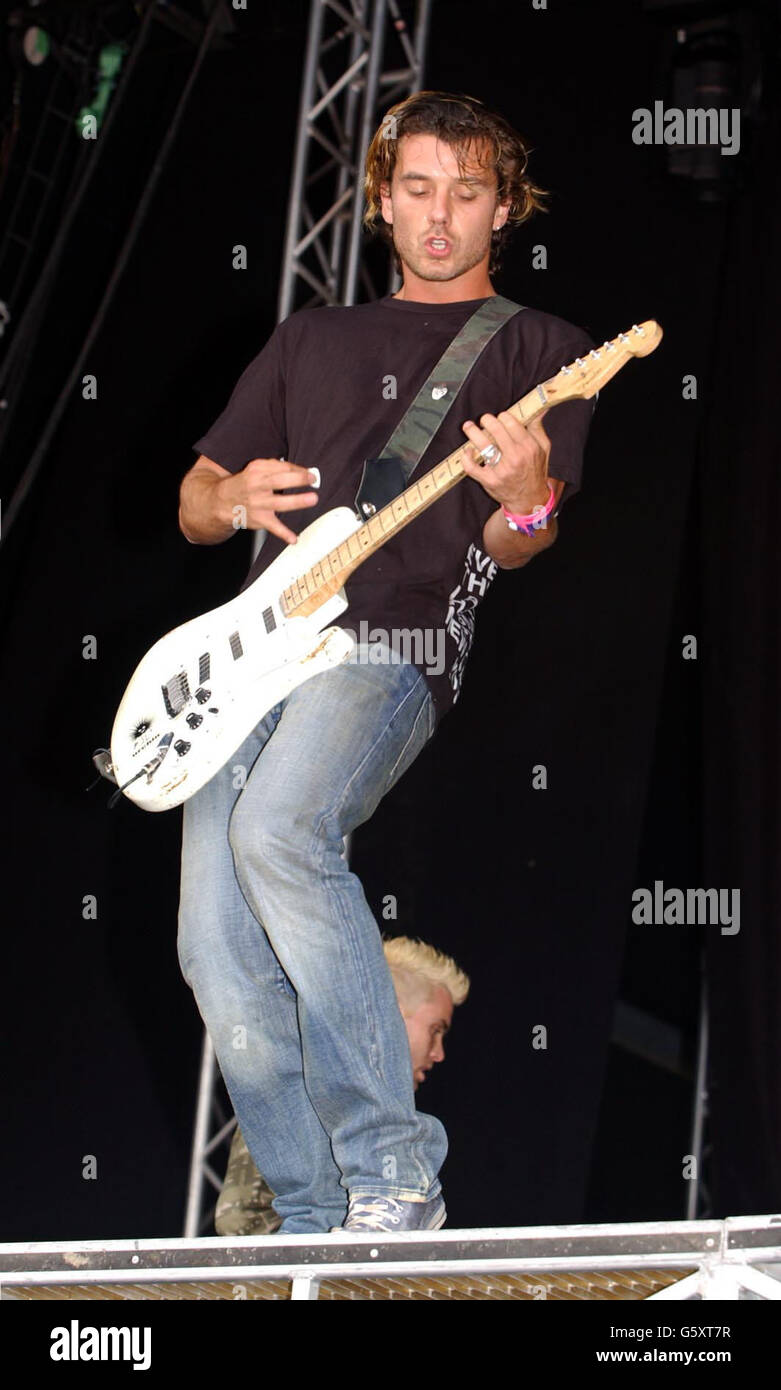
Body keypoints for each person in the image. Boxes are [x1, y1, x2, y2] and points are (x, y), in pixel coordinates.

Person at [177, 89, 595, 1235]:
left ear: (503, 207)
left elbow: (522, 544)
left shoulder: (537, 350)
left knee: (281, 833)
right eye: (417, 187)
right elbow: (195, 499)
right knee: (211, 942)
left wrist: (525, 495)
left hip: (392, 646)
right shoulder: (306, 339)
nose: (440, 214)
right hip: (254, 652)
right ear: (379, 198)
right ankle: (311, 1211)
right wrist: (229, 496)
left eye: (467, 192)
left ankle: (394, 1169)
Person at [215, 935, 469, 1237]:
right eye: (435, 1030)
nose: (439, 1053)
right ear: (392, 1014)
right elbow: (241, 1219)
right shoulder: (310, 1089)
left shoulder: (355, 1101)